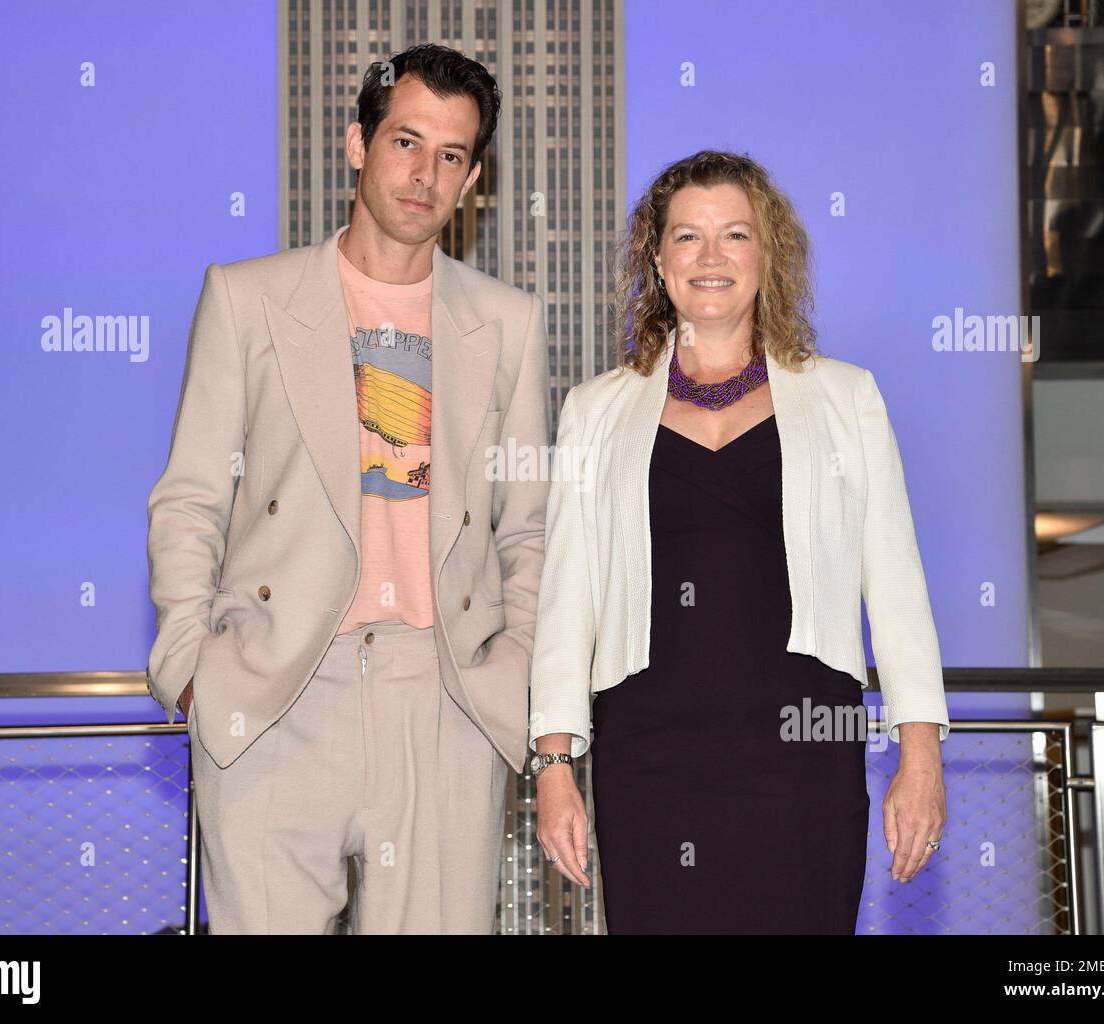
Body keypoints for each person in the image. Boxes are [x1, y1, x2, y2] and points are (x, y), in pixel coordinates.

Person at [145, 43, 550, 933]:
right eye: (406, 142)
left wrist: (511, 675)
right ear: (357, 144)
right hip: (278, 689)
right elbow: (190, 498)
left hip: (443, 699)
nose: (425, 174)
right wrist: (189, 666)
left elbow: (528, 530)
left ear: (473, 176)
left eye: (452, 155)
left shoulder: (508, 324)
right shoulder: (247, 300)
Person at [528, 150, 950, 934]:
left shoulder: (845, 397)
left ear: (768, 254)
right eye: (688, 237)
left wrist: (918, 752)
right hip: (648, 750)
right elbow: (566, 603)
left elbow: (894, 582)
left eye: (735, 235)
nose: (712, 258)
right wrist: (556, 768)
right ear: (658, 261)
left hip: (802, 745)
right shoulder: (595, 412)